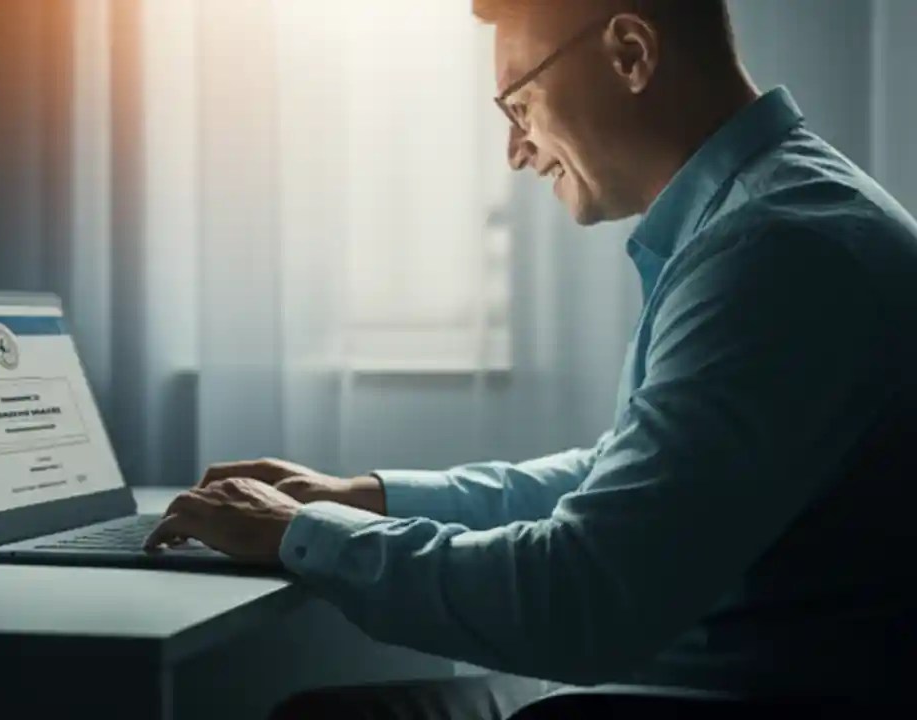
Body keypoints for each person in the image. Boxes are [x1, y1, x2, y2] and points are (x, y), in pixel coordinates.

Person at [144, 0, 917, 716]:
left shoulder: (775, 252)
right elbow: (622, 480)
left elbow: (581, 598)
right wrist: (367, 498)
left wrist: (301, 534)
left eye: (518, 105)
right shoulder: (774, 217)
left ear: (630, 53)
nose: (516, 151)